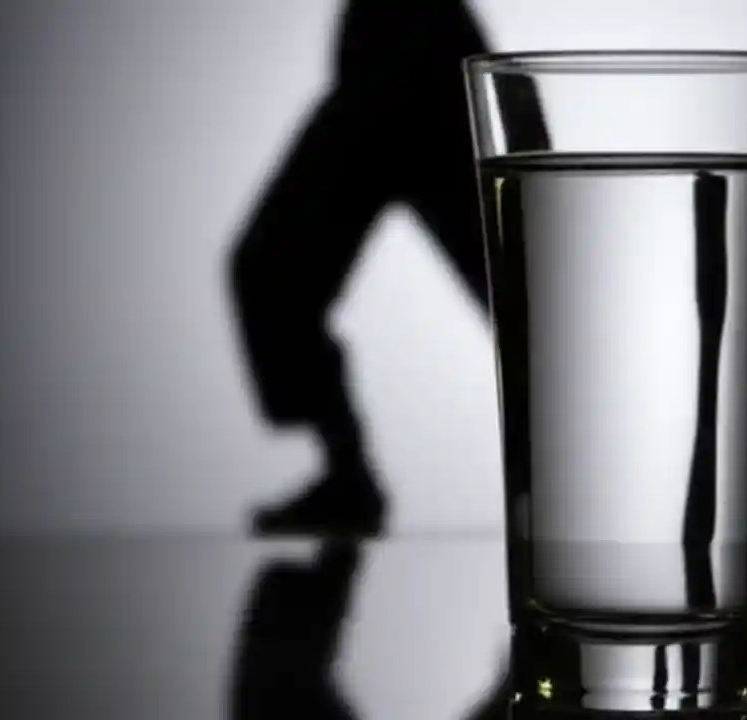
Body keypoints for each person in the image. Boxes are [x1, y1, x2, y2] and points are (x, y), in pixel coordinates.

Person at [231, 0, 541, 536]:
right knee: (268, 268)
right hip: (391, 57)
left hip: (426, 61)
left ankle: (599, 488)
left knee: (537, 305)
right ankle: (346, 476)